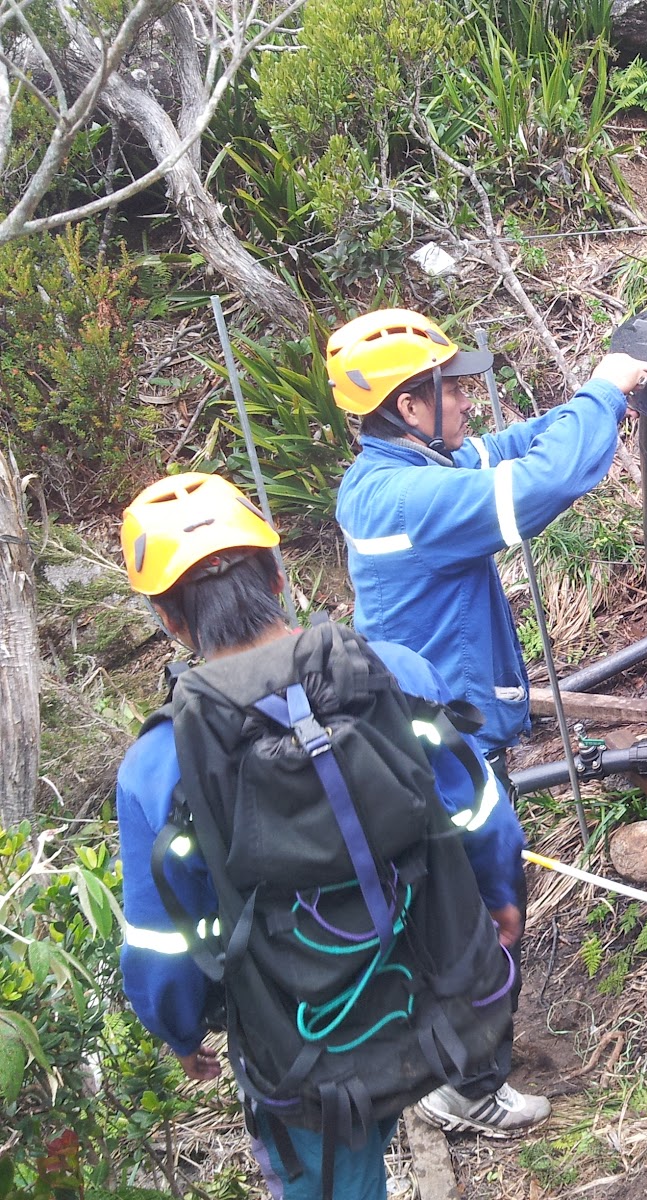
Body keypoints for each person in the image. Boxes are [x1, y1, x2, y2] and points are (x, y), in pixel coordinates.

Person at [115, 473, 542, 1199]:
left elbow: (162, 941)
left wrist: (180, 1031)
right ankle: (463, 1099)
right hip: (428, 992)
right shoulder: (389, 673)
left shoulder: (160, 763)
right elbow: (480, 812)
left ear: (171, 620)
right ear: (277, 577)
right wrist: (503, 898)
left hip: (299, 1043)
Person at [329, 309, 647, 780]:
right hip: (449, 747)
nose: (468, 403)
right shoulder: (411, 500)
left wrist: (597, 407)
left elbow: (503, 449)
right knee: (482, 828)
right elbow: (542, 484)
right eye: (453, 390)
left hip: (423, 723)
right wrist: (601, 392)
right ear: (409, 408)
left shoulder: (382, 474)